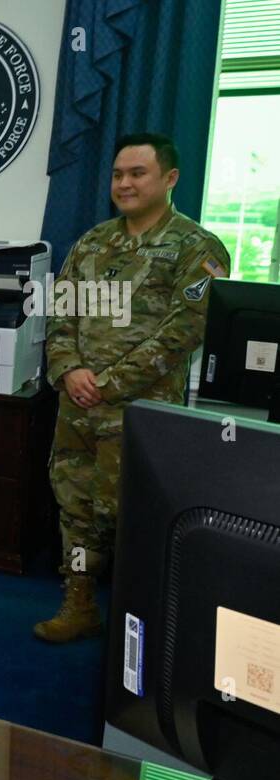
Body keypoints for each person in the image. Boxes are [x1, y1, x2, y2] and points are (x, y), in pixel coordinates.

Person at [36, 133, 230, 643]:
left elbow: (184, 331)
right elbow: (60, 314)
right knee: (76, 511)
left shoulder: (197, 248)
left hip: (142, 413)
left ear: (170, 178)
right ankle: (78, 601)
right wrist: (69, 370)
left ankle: (140, 619)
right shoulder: (92, 243)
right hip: (78, 410)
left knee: (138, 518)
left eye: (137, 173)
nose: (124, 183)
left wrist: (107, 383)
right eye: (119, 174)